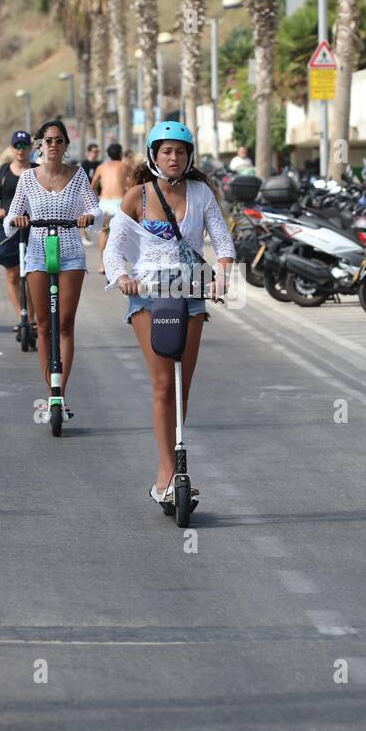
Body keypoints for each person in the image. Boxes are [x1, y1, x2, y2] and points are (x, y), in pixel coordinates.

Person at [103, 121, 235, 505]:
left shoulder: (201, 194)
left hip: (191, 294)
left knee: (182, 386)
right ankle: (167, 473)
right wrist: (122, 276)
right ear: (153, 155)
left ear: (188, 156)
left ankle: (175, 467)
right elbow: (114, 248)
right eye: (166, 151)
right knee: (163, 384)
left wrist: (222, 274)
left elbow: (222, 241)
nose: (173, 157)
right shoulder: (137, 196)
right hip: (148, 296)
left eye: (180, 151)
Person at [4, 118, 101, 421]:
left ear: (66, 146)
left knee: (65, 324)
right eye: (49, 140)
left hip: (70, 252)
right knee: (44, 325)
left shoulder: (78, 174)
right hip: (36, 252)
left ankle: (60, 392)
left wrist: (87, 217)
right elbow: (10, 219)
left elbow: (96, 211)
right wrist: (18, 220)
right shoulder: (28, 179)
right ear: (40, 145)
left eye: (59, 140)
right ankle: (50, 393)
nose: (54, 145)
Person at [0, 131, 36, 333]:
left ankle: (32, 317)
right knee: (13, 275)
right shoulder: (3, 172)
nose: (21, 150)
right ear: (12, 148)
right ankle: (22, 316)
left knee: (32, 274)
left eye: (24, 146)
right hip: (7, 230)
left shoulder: (38, 171)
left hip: (33, 230)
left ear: (30, 148)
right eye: (17, 146)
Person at [90, 142, 132, 275]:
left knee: (104, 234)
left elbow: (93, 186)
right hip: (119, 203)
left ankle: (102, 265)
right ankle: (118, 267)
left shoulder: (101, 167)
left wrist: (98, 195)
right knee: (120, 235)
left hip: (105, 203)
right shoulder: (125, 166)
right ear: (120, 154)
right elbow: (131, 185)